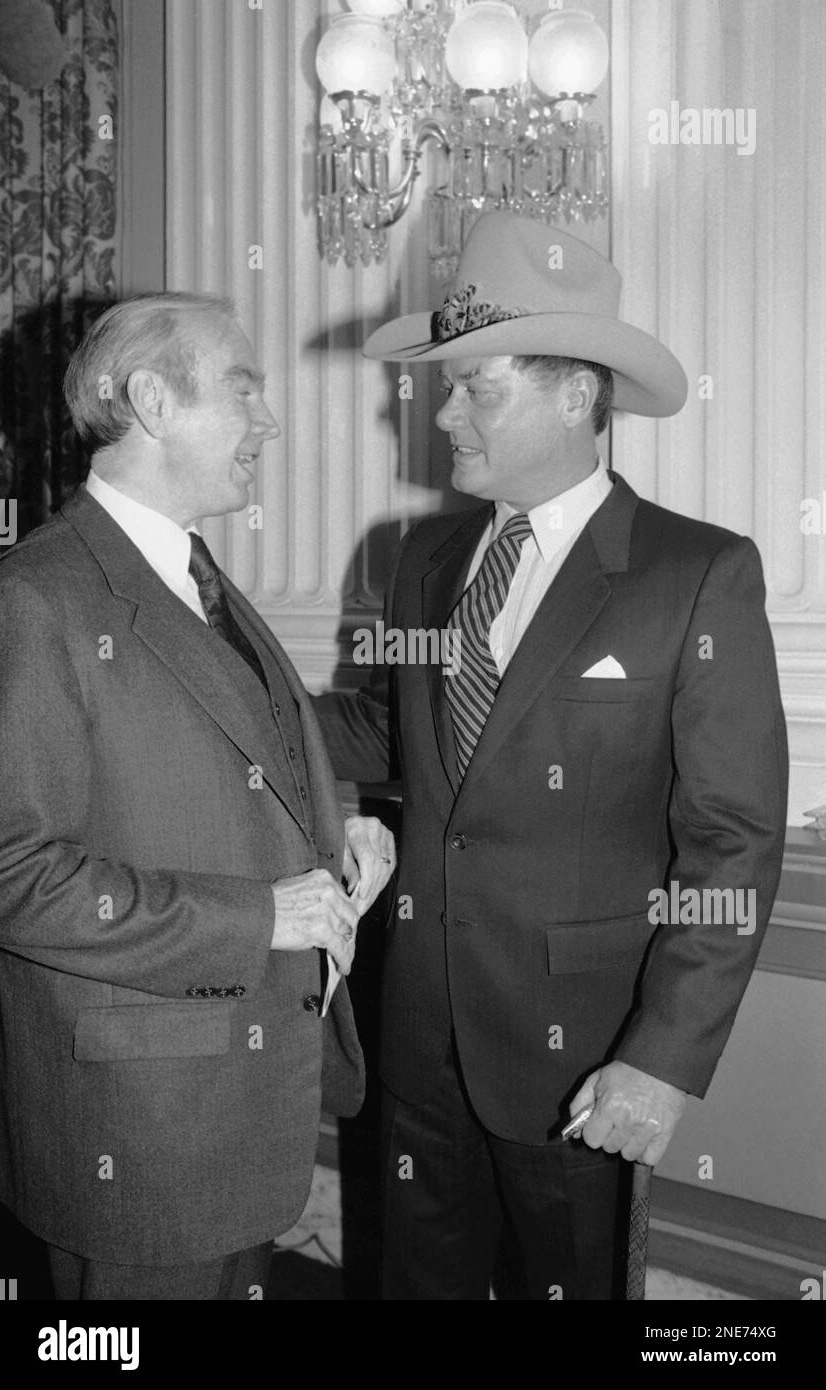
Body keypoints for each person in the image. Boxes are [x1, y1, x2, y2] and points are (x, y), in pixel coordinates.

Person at [313, 213, 788, 1300]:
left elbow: (731, 842)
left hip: (582, 1057)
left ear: (576, 394)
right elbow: (398, 734)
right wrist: (227, 705)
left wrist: (661, 1060)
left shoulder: (694, 575)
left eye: (476, 387)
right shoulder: (424, 560)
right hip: (419, 1032)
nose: (443, 412)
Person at [0, 292, 395, 1301]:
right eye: (244, 393)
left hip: (227, 1112)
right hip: (136, 1133)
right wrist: (263, 912)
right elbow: (6, 872)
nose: (267, 422)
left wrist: (330, 857)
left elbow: (213, 786)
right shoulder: (34, 598)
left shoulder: (192, 575)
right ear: (153, 400)